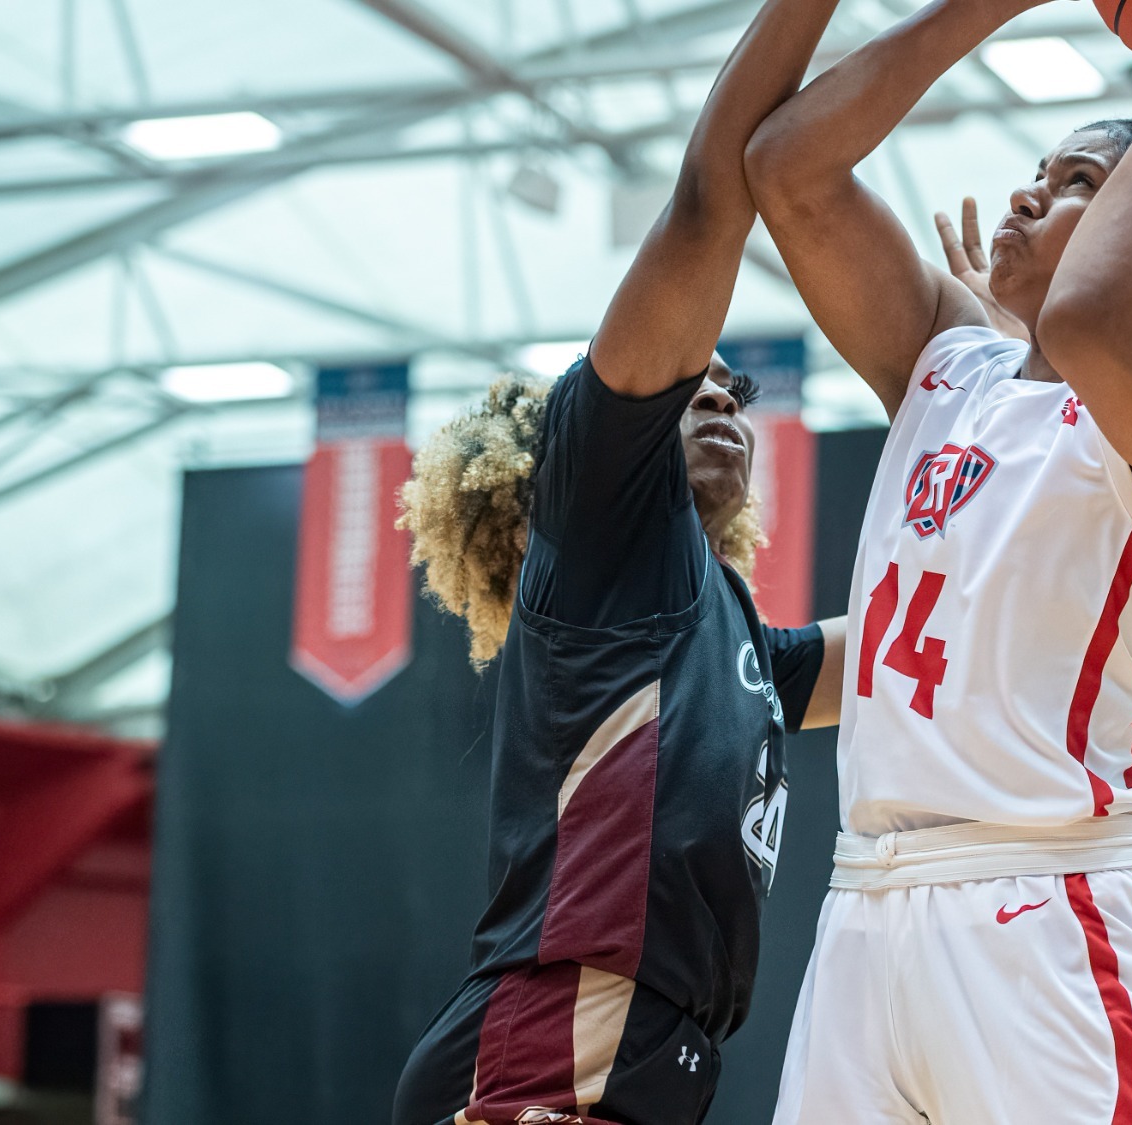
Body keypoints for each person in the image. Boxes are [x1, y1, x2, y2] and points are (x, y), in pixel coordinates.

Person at [741, 0, 1132, 1118]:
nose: (1024, 194)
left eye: (1076, 187)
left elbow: (1103, 318)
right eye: (1036, 170)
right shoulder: (948, 367)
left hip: (1044, 898)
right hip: (862, 898)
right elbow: (788, 168)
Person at [388, 0, 846, 1121]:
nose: (723, 393)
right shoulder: (594, 529)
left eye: (739, 388)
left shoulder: (724, 633)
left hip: (635, 1043)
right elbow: (705, 202)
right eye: (697, 377)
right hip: (560, 1031)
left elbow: (922, 639)